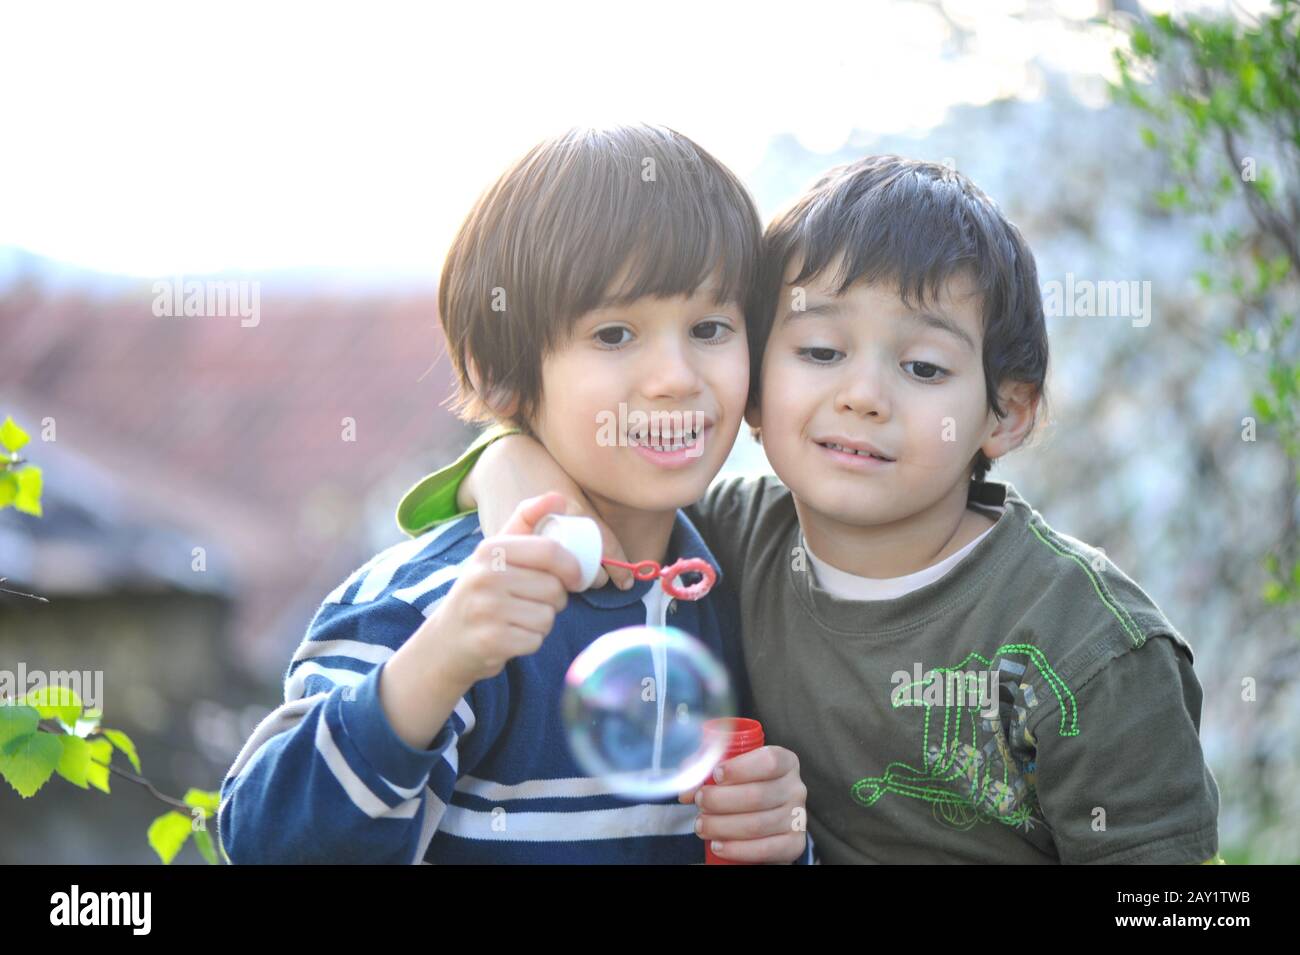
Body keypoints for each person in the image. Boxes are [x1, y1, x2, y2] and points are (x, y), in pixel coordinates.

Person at [405, 154, 1223, 864]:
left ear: (1005, 412)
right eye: (821, 352)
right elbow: (560, 460)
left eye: (925, 368)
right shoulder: (729, 541)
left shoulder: (1090, 647)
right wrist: (517, 480)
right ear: (755, 388)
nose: (862, 396)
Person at [218, 124, 811, 864]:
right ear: (500, 373)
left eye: (711, 327)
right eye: (616, 333)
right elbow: (265, 843)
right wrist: (438, 660)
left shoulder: (736, 594)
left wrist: (781, 836)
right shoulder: (434, 601)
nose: (676, 376)